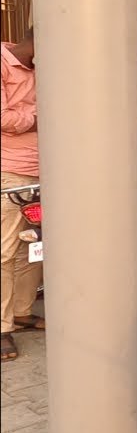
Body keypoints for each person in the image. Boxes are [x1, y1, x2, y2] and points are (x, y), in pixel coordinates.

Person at [1, 28, 42, 362]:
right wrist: (40, 119)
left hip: (42, 171)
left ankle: (23, 312)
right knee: (4, 249)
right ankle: (2, 329)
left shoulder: (37, 71)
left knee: (34, 247)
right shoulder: (2, 64)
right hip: (9, 170)